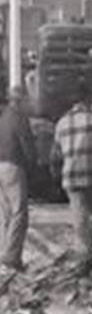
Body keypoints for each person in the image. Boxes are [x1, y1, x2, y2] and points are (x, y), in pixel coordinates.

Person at [51, 84, 92, 275]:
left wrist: (56, 173)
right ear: (88, 100)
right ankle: (91, 252)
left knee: (80, 217)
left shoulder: (61, 123)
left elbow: (55, 155)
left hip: (72, 176)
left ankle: (87, 254)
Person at [0, 86, 37, 272]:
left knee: (7, 214)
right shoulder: (19, 118)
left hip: (0, 166)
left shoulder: (3, 116)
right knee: (19, 213)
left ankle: (5, 252)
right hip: (14, 166)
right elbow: (27, 145)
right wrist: (34, 167)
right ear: (20, 100)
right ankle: (11, 257)